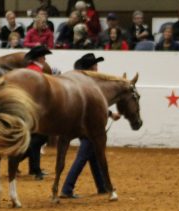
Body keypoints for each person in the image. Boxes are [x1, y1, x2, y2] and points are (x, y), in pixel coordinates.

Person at [60, 53, 119, 199]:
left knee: (93, 155)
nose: (97, 68)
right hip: (89, 125)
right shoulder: (90, 84)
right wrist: (110, 114)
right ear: (91, 67)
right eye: (95, 65)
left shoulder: (81, 81)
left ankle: (102, 186)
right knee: (83, 156)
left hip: (82, 122)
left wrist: (109, 114)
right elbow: (94, 105)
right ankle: (67, 188)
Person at [23, 46, 51, 180]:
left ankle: (35, 169)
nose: (45, 59)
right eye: (44, 56)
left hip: (29, 109)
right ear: (39, 58)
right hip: (34, 110)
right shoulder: (36, 72)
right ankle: (19, 159)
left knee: (37, 138)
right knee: (40, 138)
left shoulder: (31, 70)